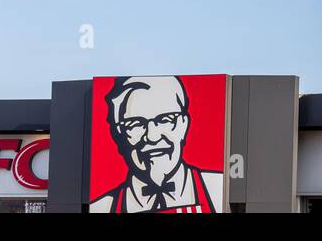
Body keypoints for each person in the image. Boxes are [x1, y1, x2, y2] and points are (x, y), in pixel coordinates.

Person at [90, 76, 223, 213]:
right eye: (135, 124)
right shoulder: (102, 207)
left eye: (165, 120)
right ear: (119, 134)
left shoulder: (217, 188)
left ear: (184, 125)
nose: (152, 137)